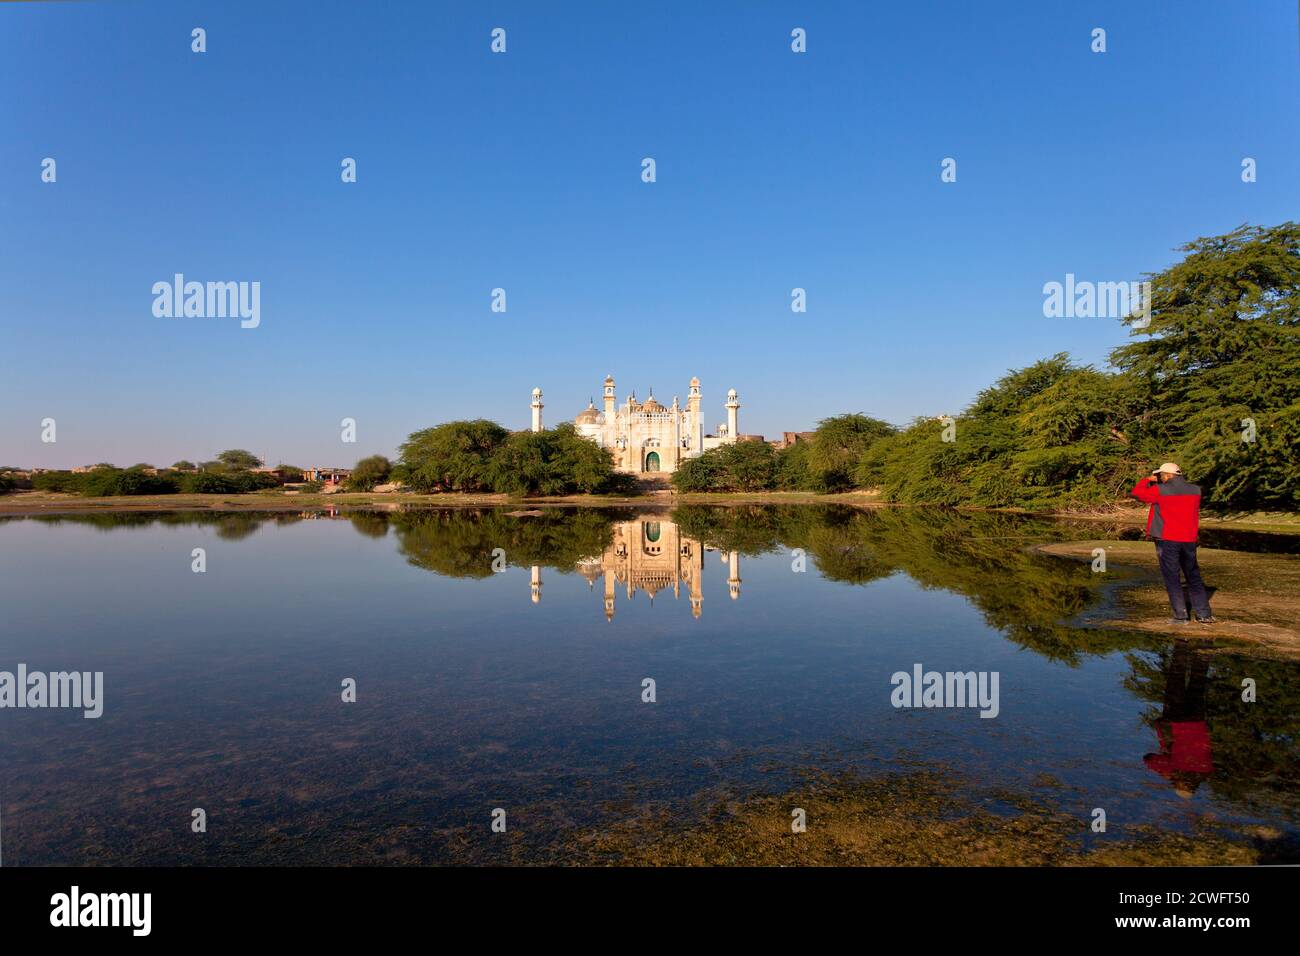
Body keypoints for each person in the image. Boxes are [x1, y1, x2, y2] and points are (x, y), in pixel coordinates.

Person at [1131, 462, 1215, 624]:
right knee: (1193, 576)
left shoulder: (1160, 490)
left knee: (1172, 577)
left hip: (1167, 539)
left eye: (1161, 475)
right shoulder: (1196, 490)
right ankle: (1204, 614)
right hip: (1188, 538)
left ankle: (1180, 616)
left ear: (1168, 475)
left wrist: (1146, 480)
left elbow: (1137, 494)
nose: (1160, 478)